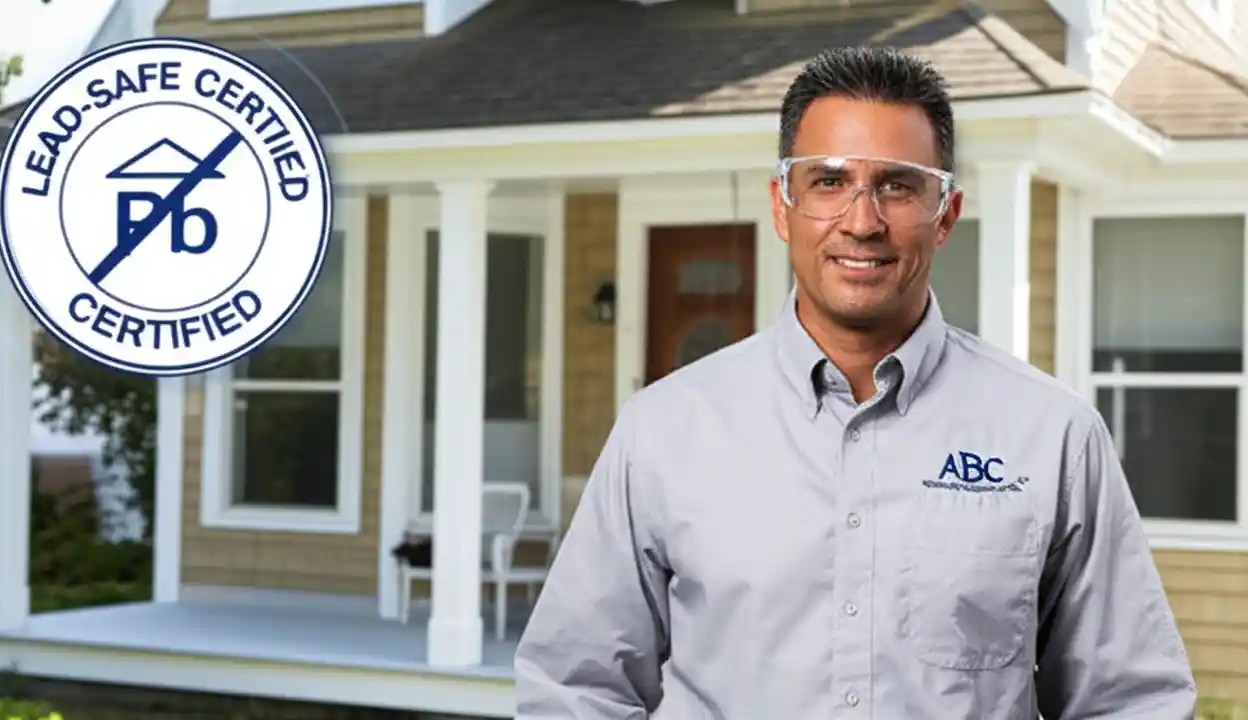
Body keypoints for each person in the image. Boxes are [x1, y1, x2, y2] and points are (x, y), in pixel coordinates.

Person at [513, 45, 1197, 719]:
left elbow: (1133, 702)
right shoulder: (665, 429)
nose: (862, 222)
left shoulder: (1053, 437)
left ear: (946, 213)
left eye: (897, 185)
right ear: (782, 206)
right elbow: (574, 690)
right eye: (829, 182)